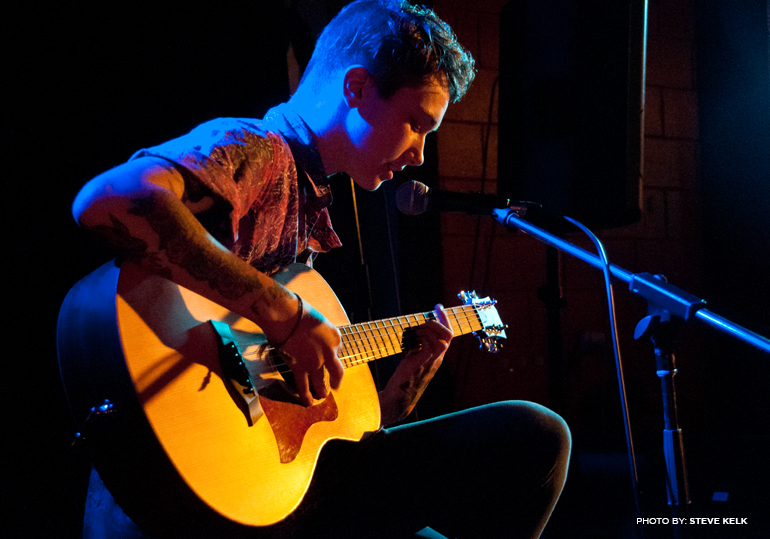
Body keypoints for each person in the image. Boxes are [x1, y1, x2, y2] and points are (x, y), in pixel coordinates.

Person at [71, 1, 571, 538]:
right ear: (355, 88)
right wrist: (283, 314)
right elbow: (109, 200)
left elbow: (316, 435)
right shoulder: (258, 148)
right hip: (181, 493)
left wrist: (407, 380)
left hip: (266, 487)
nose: (420, 155)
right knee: (534, 436)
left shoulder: (308, 200)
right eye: (415, 124)